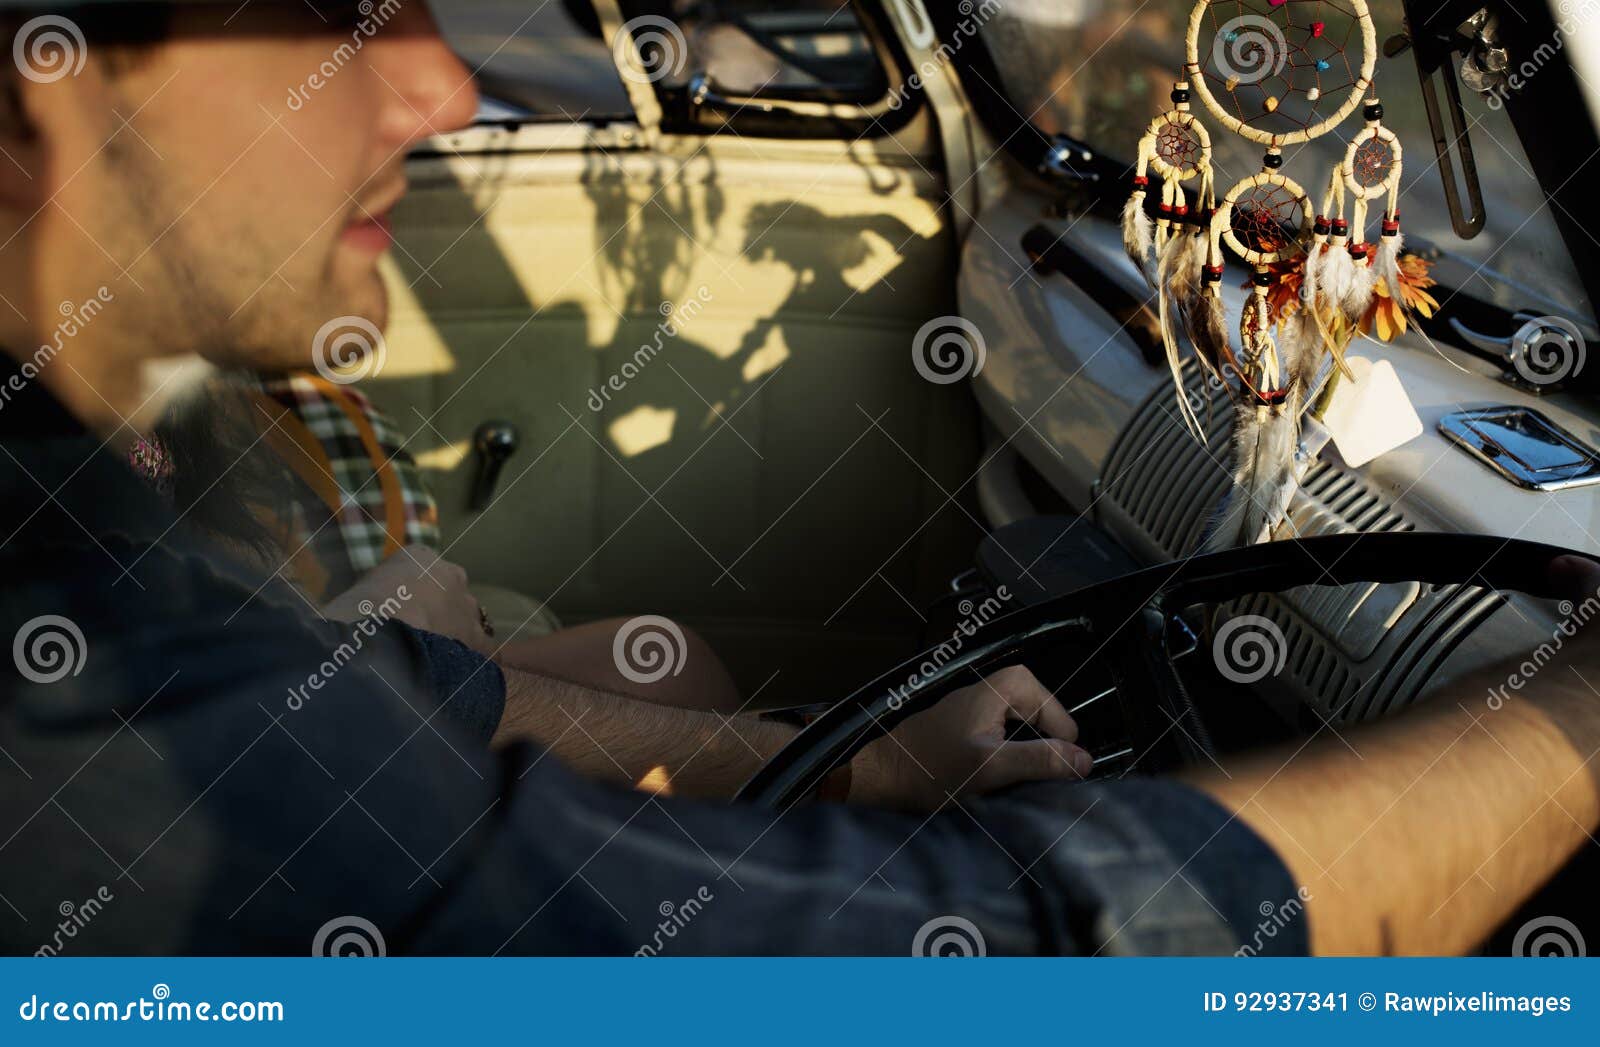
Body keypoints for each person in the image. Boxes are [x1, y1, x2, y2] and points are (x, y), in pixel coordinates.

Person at [0, 0, 1596, 957]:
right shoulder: (75, 711)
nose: (442, 88)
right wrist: (1566, 732)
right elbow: (1017, 986)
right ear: (38, 73)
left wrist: (854, 767)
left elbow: (404, 695)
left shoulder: (76, 512)